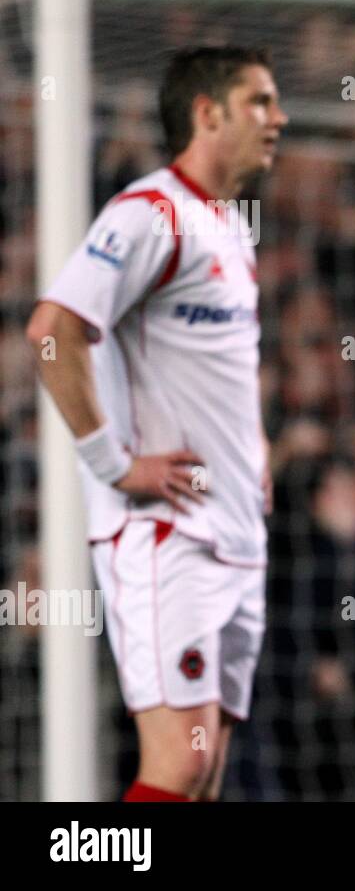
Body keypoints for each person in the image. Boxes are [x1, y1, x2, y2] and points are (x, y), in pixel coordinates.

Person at [26, 46, 288, 801]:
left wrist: (253, 450)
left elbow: (216, 367)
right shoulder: (149, 212)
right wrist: (112, 462)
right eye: (260, 103)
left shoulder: (232, 230)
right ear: (208, 114)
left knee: (202, 774)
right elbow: (52, 330)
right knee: (176, 763)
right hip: (167, 532)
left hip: (235, 532)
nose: (279, 118)